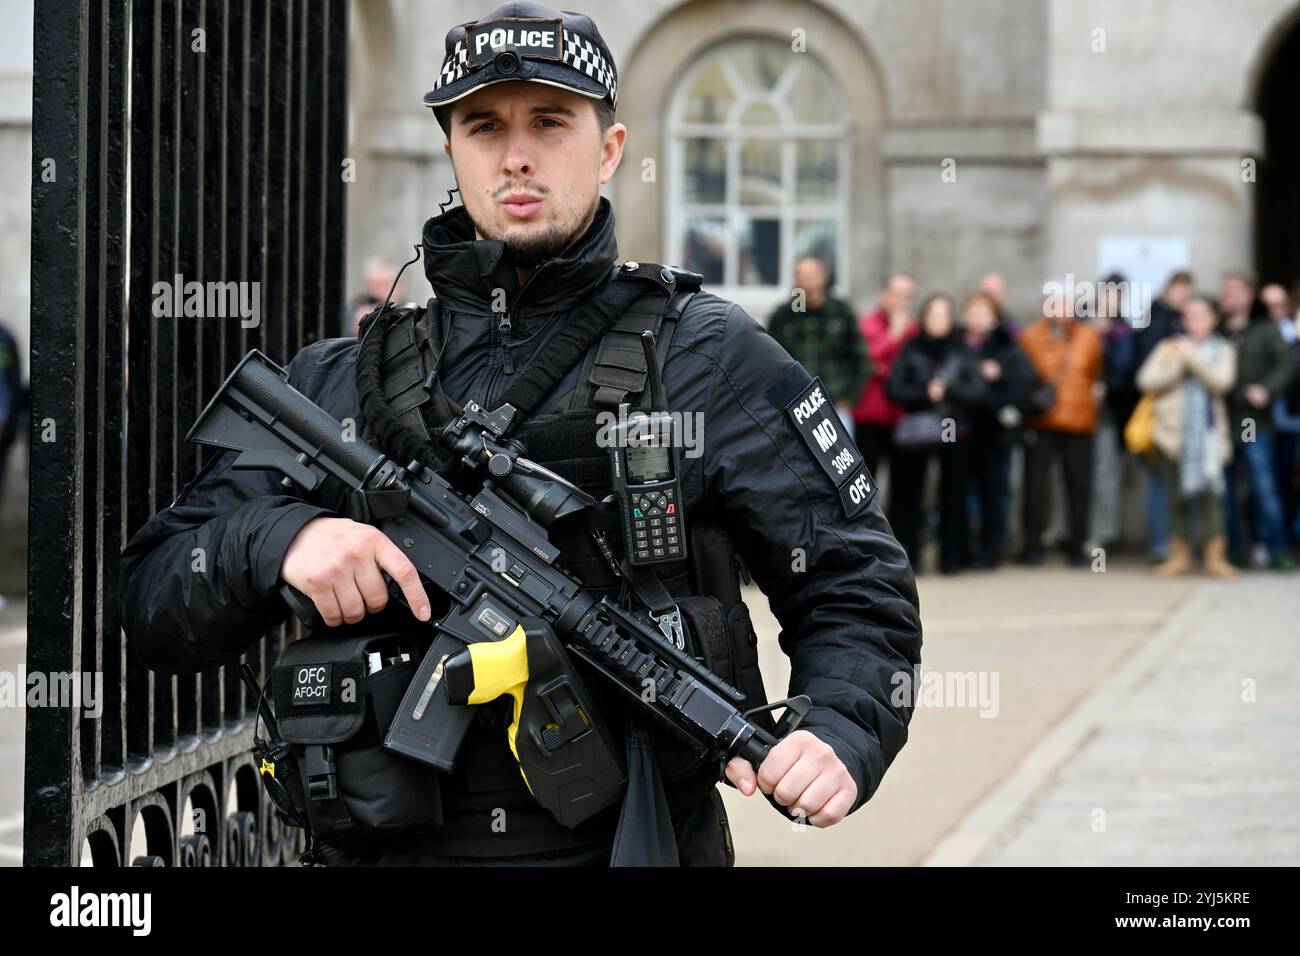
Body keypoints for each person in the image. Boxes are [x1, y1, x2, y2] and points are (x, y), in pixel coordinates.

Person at [118, 1, 921, 868]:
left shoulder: (711, 357)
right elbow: (157, 599)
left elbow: (853, 583)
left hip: (630, 844)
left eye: (550, 121)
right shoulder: (339, 379)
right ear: (453, 151)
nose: (517, 154)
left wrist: (838, 727)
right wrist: (281, 539)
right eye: (483, 126)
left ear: (609, 148)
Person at [1134, 296, 1237, 577]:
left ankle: (1215, 557)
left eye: (1199, 315)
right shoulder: (1168, 347)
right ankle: (1179, 556)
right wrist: (1177, 365)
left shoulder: (1223, 349)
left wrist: (1195, 360)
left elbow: (1222, 382)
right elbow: (1145, 381)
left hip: (1209, 440)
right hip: (1171, 436)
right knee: (1174, 499)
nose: (1193, 321)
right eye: (1188, 316)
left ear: (1212, 319)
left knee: (1211, 500)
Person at [885, 294, 985, 574]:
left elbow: (978, 391)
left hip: (954, 427)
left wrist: (949, 391)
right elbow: (894, 388)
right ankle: (908, 557)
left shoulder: (962, 350)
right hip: (917, 428)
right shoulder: (911, 348)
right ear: (924, 318)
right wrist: (923, 393)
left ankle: (951, 558)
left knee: (954, 492)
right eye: (933, 315)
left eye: (944, 315)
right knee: (909, 494)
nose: (938, 321)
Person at [1018, 283, 1104, 566]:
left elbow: (1095, 374)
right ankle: (1032, 546)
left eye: (1065, 304)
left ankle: (1077, 546)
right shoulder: (1030, 336)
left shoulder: (1089, 337)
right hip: (1040, 421)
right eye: (1054, 303)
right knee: (1035, 487)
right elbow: (1024, 374)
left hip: (1079, 422)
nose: (1060, 310)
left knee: (1079, 486)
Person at [952, 290, 1038, 569]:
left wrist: (1000, 375)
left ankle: (991, 552)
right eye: (972, 311)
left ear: (993, 317)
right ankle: (962, 551)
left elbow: (1026, 387)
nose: (976, 318)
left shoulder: (1007, 346)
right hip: (960, 431)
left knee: (994, 493)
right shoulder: (955, 344)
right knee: (959, 493)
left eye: (983, 312)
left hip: (994, 433)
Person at [1219, 270, 1296, 570]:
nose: (1228, 295)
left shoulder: (1264, 330)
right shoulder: (1219, 330)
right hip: (1223, 421)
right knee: (1225, 489)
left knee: (1261, 484)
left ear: (1249, 295)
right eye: (1225, 290)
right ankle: (1234, 550)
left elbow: (1286, 364)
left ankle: (1276, 548)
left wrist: (1266, 389)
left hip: (1252, 422)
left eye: (1234, 289)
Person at [765, 254, 871, 432]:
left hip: (835, 405)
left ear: (823, 276)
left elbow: (861, 359)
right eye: (800, 274)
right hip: (793, 407)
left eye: (811, 274)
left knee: (839, 457)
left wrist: (849, 398)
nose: (806, 279)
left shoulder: (840, 312)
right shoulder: (784, 315)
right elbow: (768, 361)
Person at [1131, 271, 1194, 562]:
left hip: (1190, 420)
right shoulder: (1155, 322)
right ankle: (1160, 545)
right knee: (1159, 483)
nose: (1183, 296)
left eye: (1187, 291)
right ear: (1168, 289)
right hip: (1160, 417)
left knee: (1188, 485)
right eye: (1179, 289)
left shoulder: (1188, 325)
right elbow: (1145, 372)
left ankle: (1183, 544)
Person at [1086, 273, 1137, 550]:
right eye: (1106, 292)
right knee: (1072, 478)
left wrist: (1107, 386)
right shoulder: (1081, 325)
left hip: (1108, 416)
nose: (1110, 298)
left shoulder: (1123, 333)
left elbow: (1125, 372)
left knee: (1105, 477)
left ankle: (1102, 534)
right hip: (1076, 416)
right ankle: (1069, 530)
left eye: (1116, 294)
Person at [852, 273, 916, 476]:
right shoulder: (866, 324)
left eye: (907, 297)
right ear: (884, 295)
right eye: (897, 295)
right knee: (866, 477)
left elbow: (914, 371)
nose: (902, 302)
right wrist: (892, 335)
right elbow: (866, 362)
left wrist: (884, 369)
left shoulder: (914, 330)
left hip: (902, 415)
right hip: (870, 414)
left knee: (903, 481)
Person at [1260, 283, 1300, 553]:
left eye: (1278, 304)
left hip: (1292, 419)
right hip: (1262, 422)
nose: (1274, 310)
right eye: (1268, 305)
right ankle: (1273, 543)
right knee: (1271, 479)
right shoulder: (1262, 333)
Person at [344, 259, 402, 337]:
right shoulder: (355, 310)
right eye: (373, 285)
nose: (377, 292)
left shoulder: (409, 310)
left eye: (384, 284)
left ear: (399, 286)